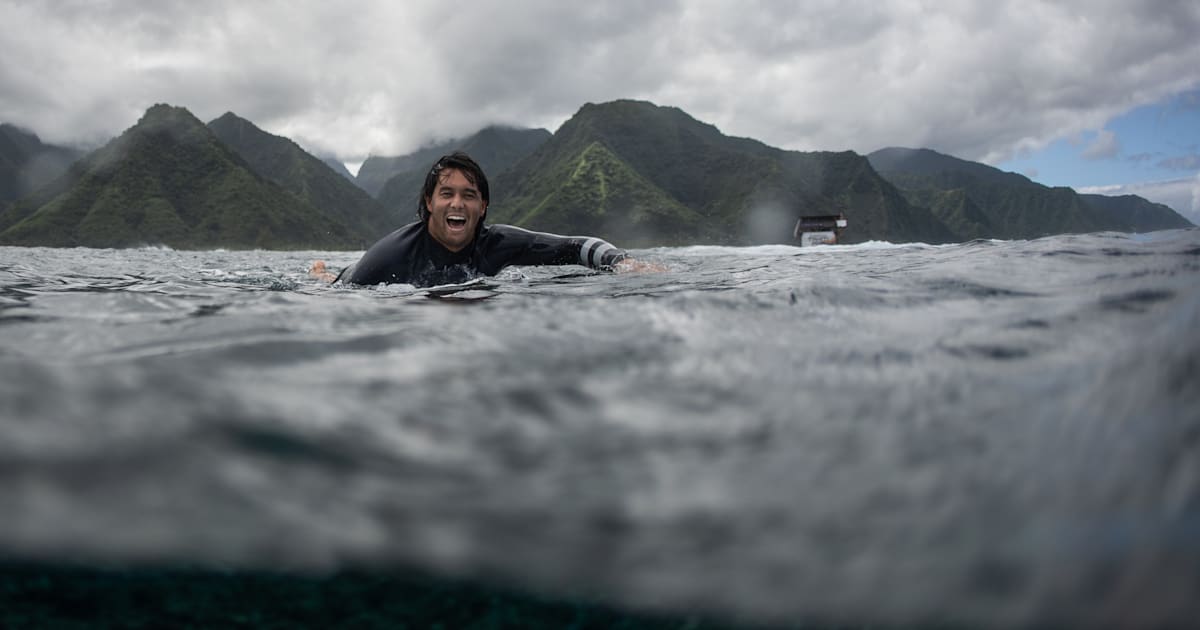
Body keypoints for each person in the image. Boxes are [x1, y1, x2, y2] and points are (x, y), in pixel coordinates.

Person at [311, 151, 659, 287]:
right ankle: (321, 270)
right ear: (429, 203)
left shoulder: (498, 243)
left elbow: (576, 246)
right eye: (446, 194)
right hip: (346, 280)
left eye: (469, 195)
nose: (457, 204)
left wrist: (622, 262)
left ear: (483, 206)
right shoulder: (387, 259)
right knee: (329, 278)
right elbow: (343, 302)